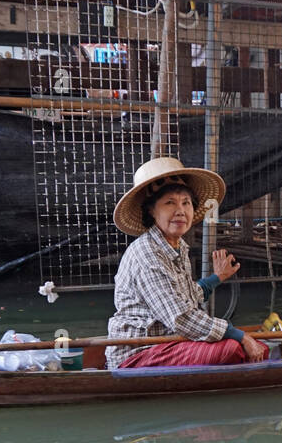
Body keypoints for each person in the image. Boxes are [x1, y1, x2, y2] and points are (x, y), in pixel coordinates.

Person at [106, 157, 268, 369]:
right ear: (151, 211)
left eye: (186, 202)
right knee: (232, 348)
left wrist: (217, 278)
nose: (181, 210)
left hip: (169, 343)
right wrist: (239, 335)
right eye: (169, 203)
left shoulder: (177, 246)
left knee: (258, 345)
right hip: (139, 353)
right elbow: (181, 318)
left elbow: (186, 296)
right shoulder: (146, 254)